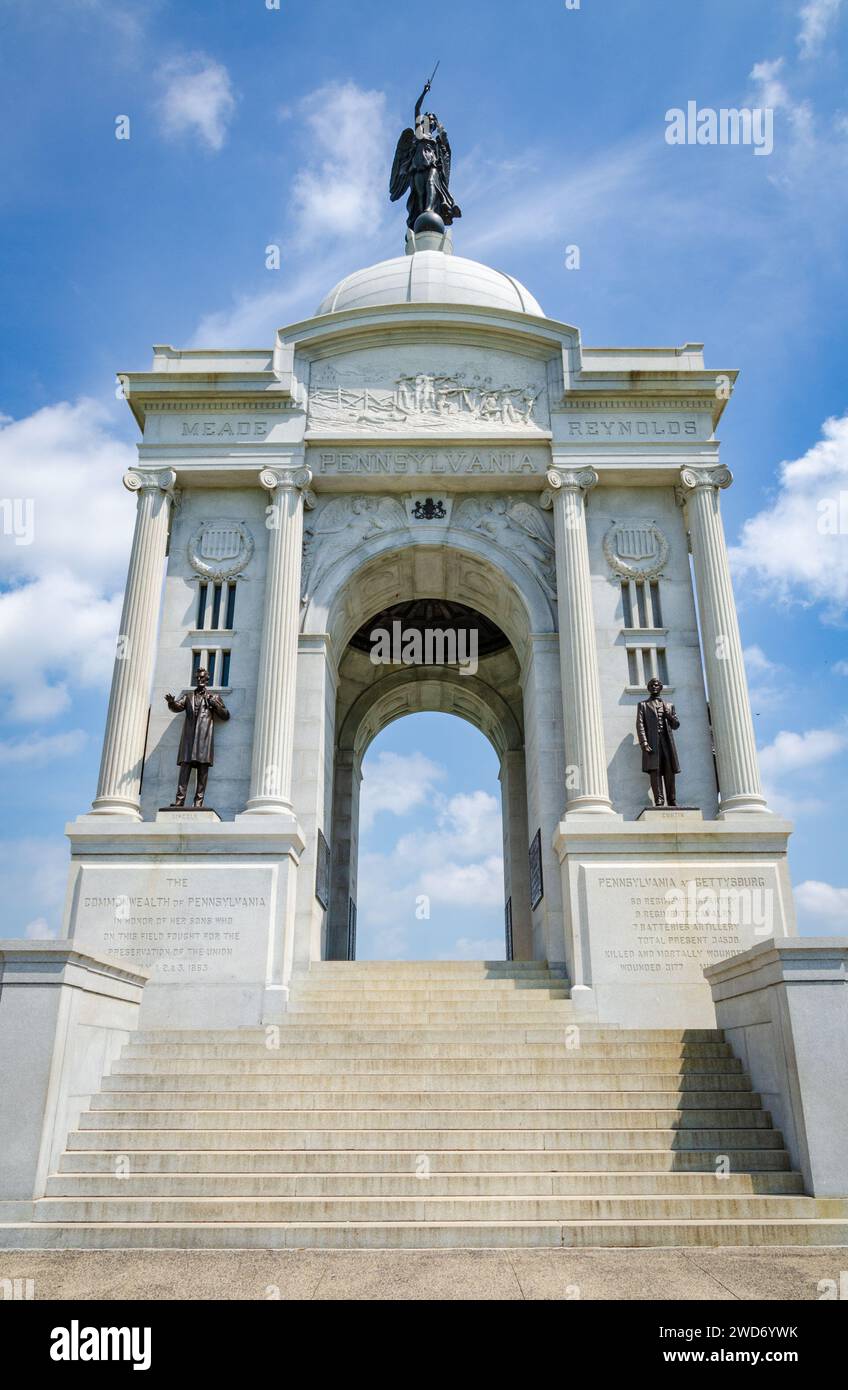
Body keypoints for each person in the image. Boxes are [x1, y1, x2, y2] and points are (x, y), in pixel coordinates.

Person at [165, 667, 230, 809]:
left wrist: (215, 705)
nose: (200, 680)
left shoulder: (214, 697)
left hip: (204, 739)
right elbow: (177, 706)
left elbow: (225, 715)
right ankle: (179, 800)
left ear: (207, 679)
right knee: (184, 768)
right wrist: (171, 702)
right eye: (198, 678)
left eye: (203, 678)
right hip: (189, 739)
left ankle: (199, 801)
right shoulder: (188, 697)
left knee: (202, 771)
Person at [636, 677, 680, 807]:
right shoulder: (643, 705)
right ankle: (659, 799)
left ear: (660, 687)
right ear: (649, 688)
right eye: (651, 685)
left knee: (669, 771)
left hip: (667, 742)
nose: (654, 687)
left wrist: (668, 714)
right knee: (655, 771)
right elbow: (640, 725)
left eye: (656, 685)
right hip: (652, 743)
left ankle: (672, 799)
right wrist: (644, 743)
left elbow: (676, 725)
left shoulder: (669, 705)